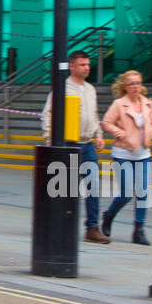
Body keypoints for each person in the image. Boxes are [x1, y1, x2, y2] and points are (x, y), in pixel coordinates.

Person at [41, 49, 109, 243]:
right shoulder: (62, 88)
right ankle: (61, 225)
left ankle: (92, 228)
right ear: (71, 66)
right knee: (67, 190)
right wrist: (49, 138)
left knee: (93, 186)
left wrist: (99, 135)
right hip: (69, 145)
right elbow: (48, 114)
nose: (87, 68)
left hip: (88, 145)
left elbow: (94, 114)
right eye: (82, 65)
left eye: (88, 65)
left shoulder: (90, 89)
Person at [100, 69, 152, 245]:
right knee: (125, 194)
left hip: (143, 153)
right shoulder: (119, 104)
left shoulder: (148, 103)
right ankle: (109, 215)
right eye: (131, 83)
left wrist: (150, 134)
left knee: (143, 193)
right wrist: (121, 134)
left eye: (138, 83)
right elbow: (106, 122)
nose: (135, 87)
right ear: (125, 86)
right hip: (123, 153)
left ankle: (139, 230)